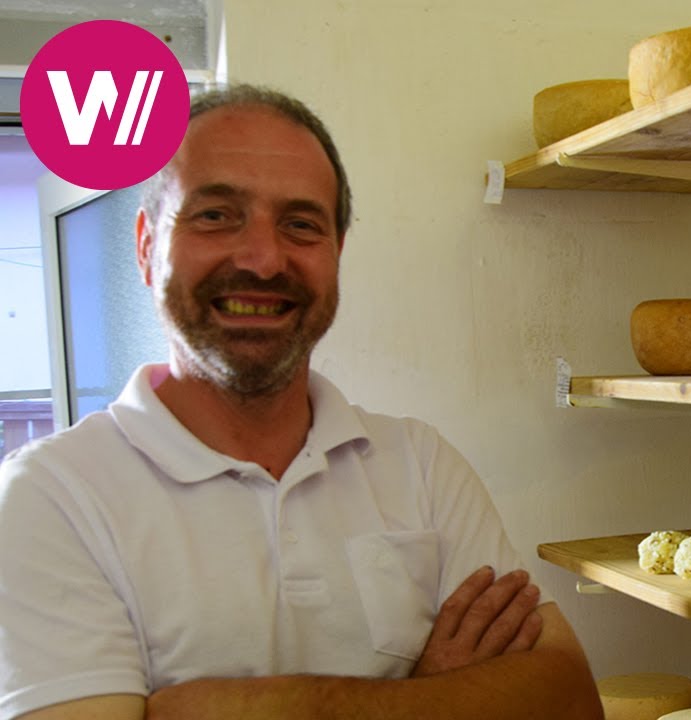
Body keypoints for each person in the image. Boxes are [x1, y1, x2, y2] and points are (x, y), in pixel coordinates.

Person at [0, 85, 604, 720]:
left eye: (300, 224)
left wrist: (242, 706)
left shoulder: (419, 463)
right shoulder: (49, 497)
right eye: (215, 215)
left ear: (336, 253)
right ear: (148, 247)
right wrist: (433, 696)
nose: (263, 260)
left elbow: (567, 699)